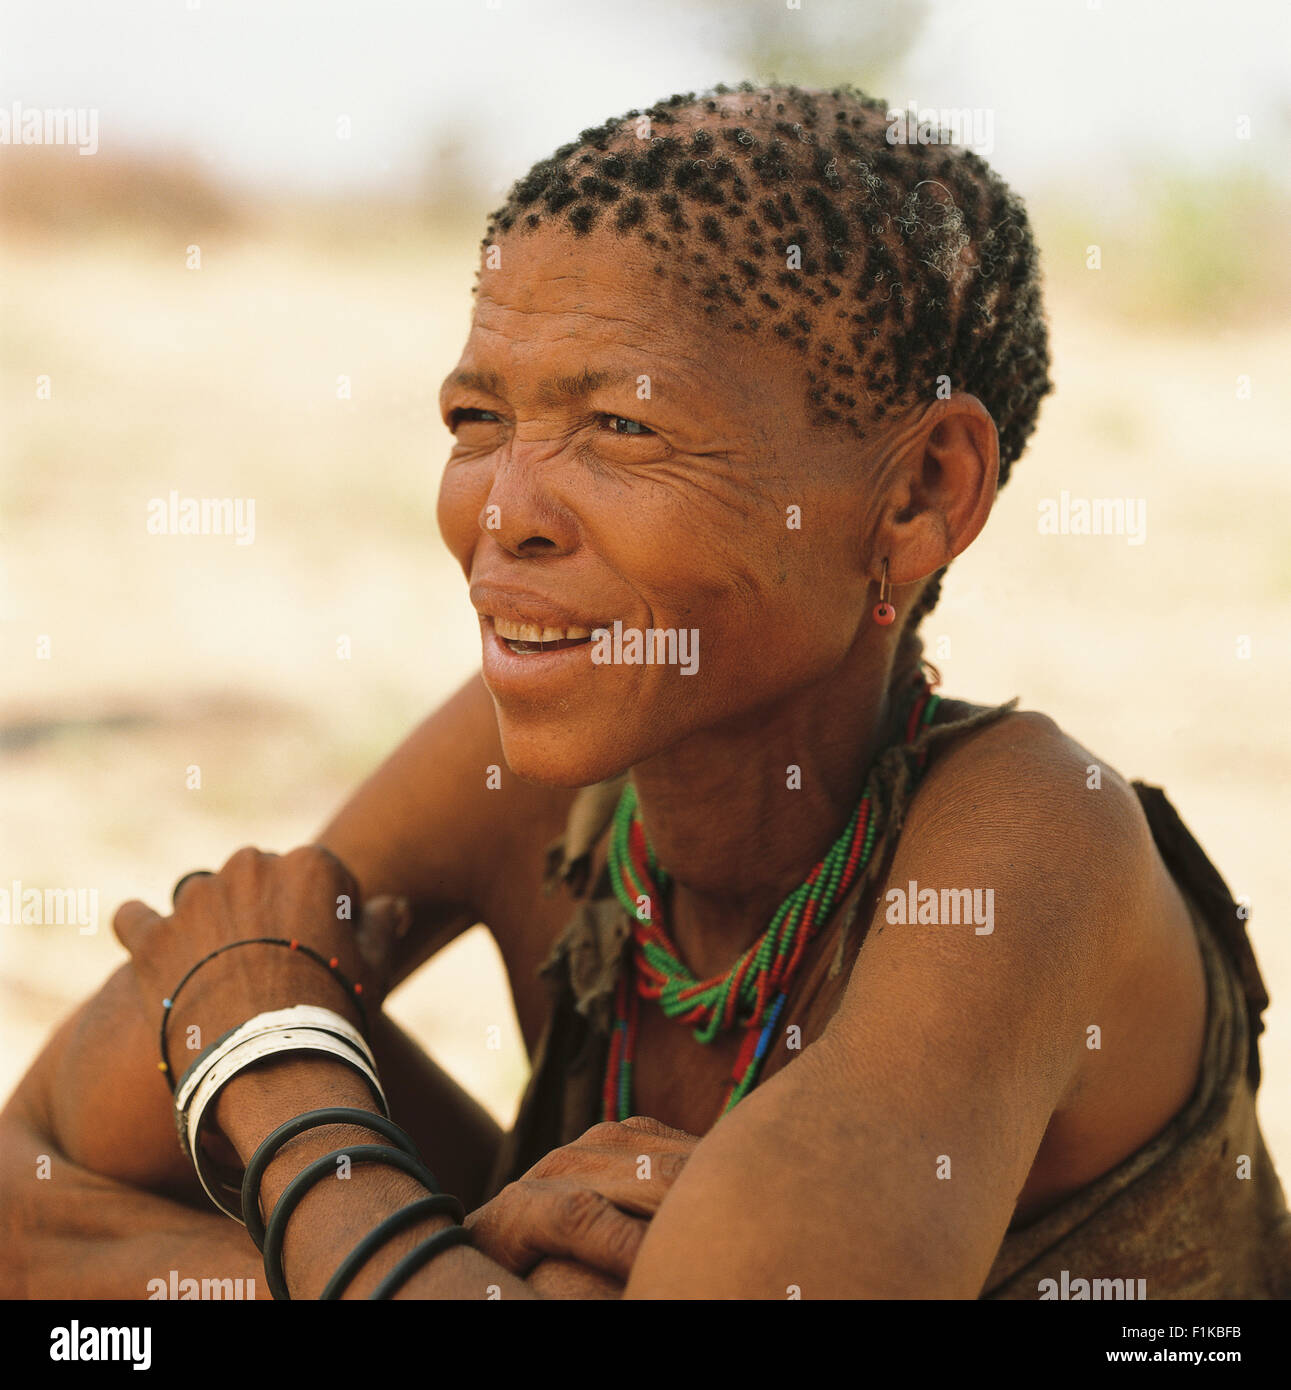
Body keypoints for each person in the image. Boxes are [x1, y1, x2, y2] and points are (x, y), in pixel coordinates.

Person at [3, 83, 1287, 1300]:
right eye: (474, 421)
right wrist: (443, 1262)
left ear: (918, 497)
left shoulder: (1033, 841)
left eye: (619, 427)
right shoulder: (538, 768)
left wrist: (286, 1089)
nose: (501, 514)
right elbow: (35, 1186)